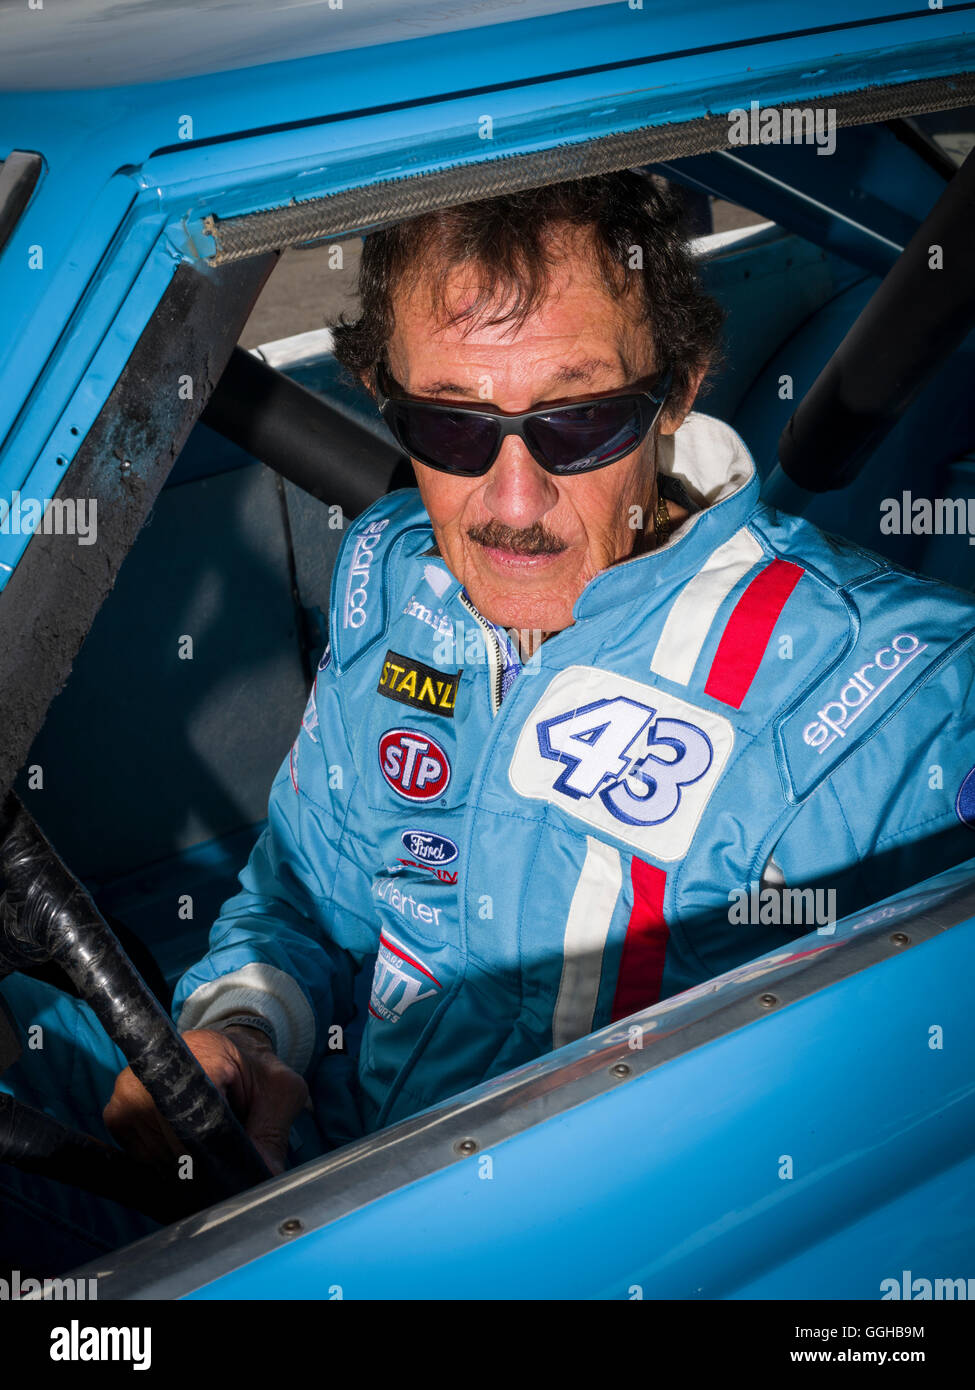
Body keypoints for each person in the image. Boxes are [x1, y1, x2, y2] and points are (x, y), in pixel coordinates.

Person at [3, 172, 975, 1261]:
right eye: (453, 427)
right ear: (385, 394)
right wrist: (240, 1031)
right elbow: (302, 897)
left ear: (683, 386)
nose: (511, 503)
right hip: (319, 1163)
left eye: (582, 420)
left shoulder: (896, 696)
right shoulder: (391, 577)